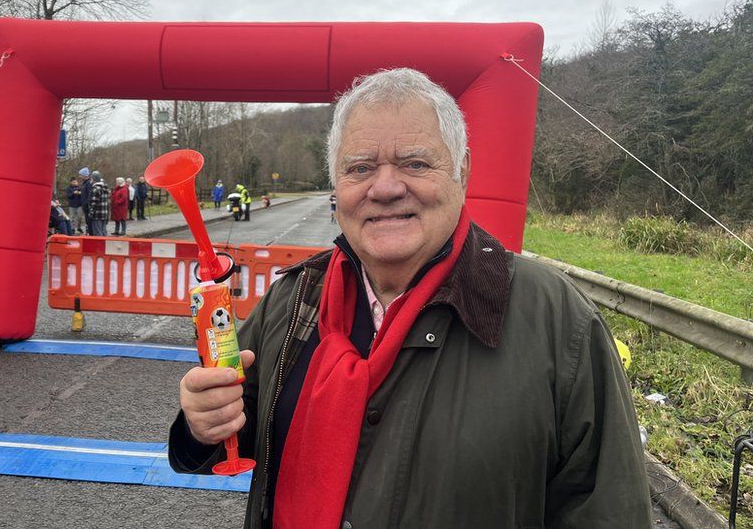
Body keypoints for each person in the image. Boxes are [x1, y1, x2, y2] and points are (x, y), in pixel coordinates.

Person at [168, 68, 652, 528]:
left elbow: (608, 509)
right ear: (337, 184)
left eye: (415, 163)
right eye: (360, 168)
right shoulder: (294, 301)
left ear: (462, 171)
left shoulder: (557, 321)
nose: (385, 188)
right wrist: (201, 424)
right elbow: (232, 432)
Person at [87, 172, 110, 236]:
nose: (90, 180)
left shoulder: (95, 189)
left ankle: (99, 245)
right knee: (103, 231)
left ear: (94, 179)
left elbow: (94, 203)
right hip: (104, 213)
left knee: (97, 232)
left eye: (91, 178)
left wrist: (91, 214)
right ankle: (105, 244)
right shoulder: (105, 188)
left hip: (97, 214)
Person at [79, 167, 94, 235]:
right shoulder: (84, 183)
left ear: (85, 175)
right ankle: (89, 234)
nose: (80, 176)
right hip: (85, 207)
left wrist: (86, 204)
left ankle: (91, 236)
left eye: (81, 175)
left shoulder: (88, 184)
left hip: (88, 207)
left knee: (90, 222)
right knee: (87, 222)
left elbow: (90, 195)